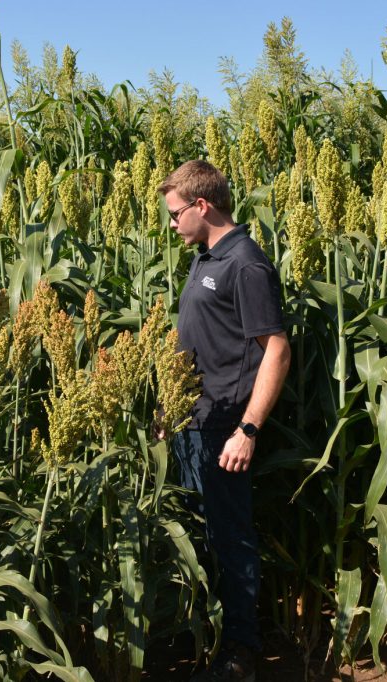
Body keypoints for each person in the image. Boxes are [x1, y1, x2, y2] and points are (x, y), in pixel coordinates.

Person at [157, 160, 291, 682]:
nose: (171, 225)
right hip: (193, 422)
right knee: (201, 537)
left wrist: (248, 429)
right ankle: (206, 636)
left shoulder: (246, 264)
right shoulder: (204, 257)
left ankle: (240, 654)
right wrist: (169, 410)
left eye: (174, 214)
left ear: (202, 205)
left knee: (230, 538)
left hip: (226, 429)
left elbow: (276, 351)